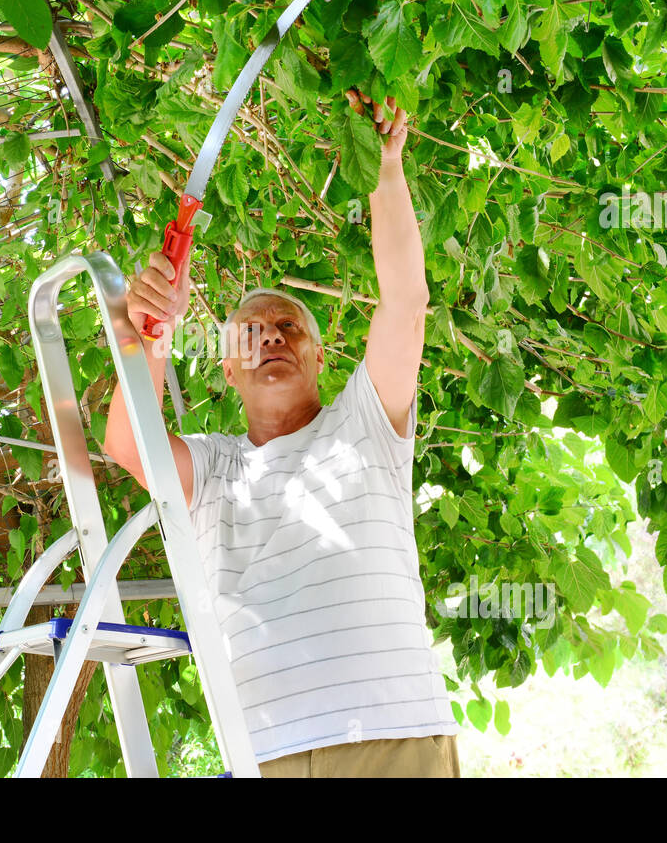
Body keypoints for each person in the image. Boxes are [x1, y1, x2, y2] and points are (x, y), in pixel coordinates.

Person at [102, 90, 459, 777]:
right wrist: (150, 336)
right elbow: (127, 443)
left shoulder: (366, 423)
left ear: (322, 357)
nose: (271, 333)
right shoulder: (213, 468)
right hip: (264, 757)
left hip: (393, 739)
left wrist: (388, 168)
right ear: (228, 366)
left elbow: (408, 302)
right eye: (252, 330)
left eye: (290, 326)